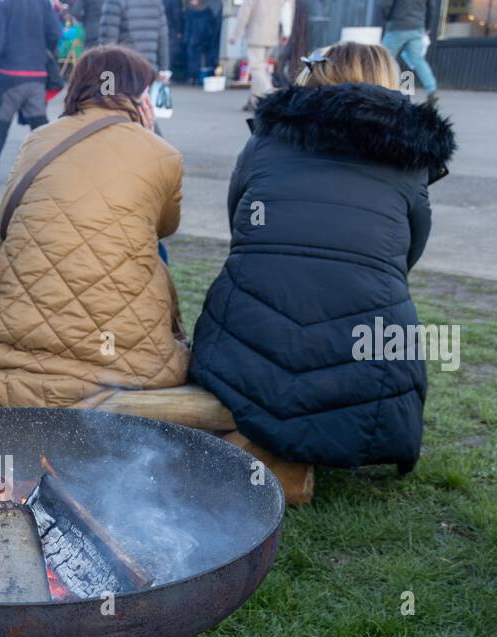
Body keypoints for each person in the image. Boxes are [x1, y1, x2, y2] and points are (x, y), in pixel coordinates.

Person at [189, 42, 456, 473]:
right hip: (367, 349)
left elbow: (240, 225)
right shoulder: (410, 157)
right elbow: (408, 252)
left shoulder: (265, 141)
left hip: (248, 338)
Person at [0, 46, 189, 407]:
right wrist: (148, 136)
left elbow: (5, 226)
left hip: (18, 332)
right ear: (137, 94)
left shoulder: (39, 138)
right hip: (121, 348)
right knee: (144, 241)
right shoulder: (162, 152)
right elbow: (166, 226)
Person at [0, 0, 62, 186]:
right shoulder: (42, 3)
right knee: (39, 126)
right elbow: (55, 32)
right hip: (37, 74)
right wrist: (42, 52)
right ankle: (48, 170)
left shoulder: (0, 3)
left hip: (9, 75)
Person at [230, 0, 287, 110]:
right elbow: (285, 11)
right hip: (272, 36)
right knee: (261, 68)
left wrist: (236, 35)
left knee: (256, 68)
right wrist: (284, 33)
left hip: (256, 36)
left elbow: (244, 14)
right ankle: (253, 101)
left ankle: (270, 92)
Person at [381, 0, 437, 103]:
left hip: (397, 27)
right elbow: (431, 7)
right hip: (417, 27)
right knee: (418, 60)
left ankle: (380, 87)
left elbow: (386, 4)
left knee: (383, 59)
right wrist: (427, 26)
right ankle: (431, 90)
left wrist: (388, 17)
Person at [99, 0, 170, 77]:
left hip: (124, 70)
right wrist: (164, 68)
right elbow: (163, 38)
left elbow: (108, 39)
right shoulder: (156, 2)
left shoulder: (114, 2)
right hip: (149, 69)